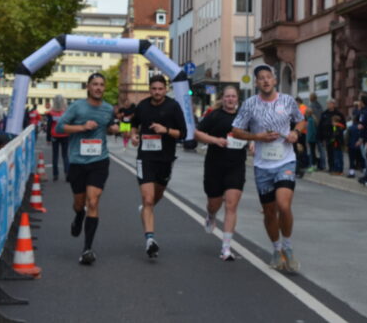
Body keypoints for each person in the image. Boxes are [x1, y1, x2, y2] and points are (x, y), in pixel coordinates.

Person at [231, 65, 306, 273]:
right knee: (269, 211)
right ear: (256, 83)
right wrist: (257, 137)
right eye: (261, 78)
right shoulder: (250, 104)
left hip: (285, 161)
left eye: (268, 77)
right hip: (262, 165)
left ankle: (288, 247)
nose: (265, 81)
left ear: (274, 80)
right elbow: (236, 131)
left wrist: (295, 133)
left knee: (283, 204)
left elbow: (301, 121)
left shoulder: (287, 101)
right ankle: (276, 249)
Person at [55, 73, 120, 265]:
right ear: (88, 87)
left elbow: (111, 125)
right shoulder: (77, 107)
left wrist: (115, 129)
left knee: (93, 201)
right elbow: (59, 127)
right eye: (95, 84)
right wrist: (82, 127)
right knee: (79, 203)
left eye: (101, 85)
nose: (98, 88)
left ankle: (87, 249)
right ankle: (78, 215)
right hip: (77, 161)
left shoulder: (108, 108)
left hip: (99, 161)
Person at [130, 75, 187, 258]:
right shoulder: (142, 106)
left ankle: (145, 210)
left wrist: (166, 130)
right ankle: (150, 240)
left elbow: (183, 133)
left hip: (165, 159)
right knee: (148, 199)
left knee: (157, 196)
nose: (157, 92)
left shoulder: (173, 106)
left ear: (165, 89)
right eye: (154, 89)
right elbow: (133, 124)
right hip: (145, 158)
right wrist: (133, 135)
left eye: (160, 89)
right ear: (150, 89)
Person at [193, 85, 247, 261]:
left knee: (231, 205)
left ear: (237, 99)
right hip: (215, 166)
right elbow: (197, 134)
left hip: (236, 166)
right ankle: (211, 215)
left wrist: (253, 143)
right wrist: (215, 140)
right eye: (227, 96)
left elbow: (252, 134)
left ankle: (226, 248)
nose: (230, 99)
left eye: (233, 96)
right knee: (214, 203)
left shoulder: (244, 117)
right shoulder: (214, 116)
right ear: (222, 99)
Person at [46, 95, 70, 181]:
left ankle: (55, 174)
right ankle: (67, 173)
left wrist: (48, 138)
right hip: (65, 135)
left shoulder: (51, 113)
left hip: (55, 135)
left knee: (55, 155)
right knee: (65, 155)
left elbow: (49, 126)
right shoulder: (66, 112)